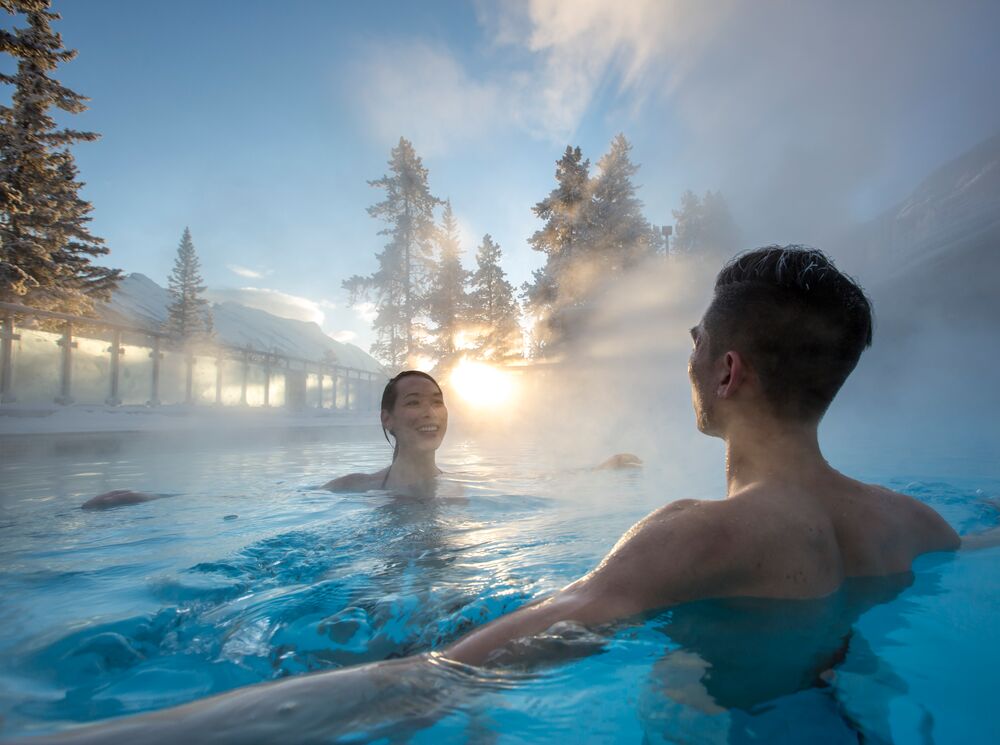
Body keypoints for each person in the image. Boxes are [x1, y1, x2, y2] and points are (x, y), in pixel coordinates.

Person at [38, 245, 996, 743]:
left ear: (729, 370)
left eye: (696, 341)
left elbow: (447, 674)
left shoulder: (697, 538)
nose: (689, 356)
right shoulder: (914, 523)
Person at [323, 370, 448, 495]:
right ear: (387, 419)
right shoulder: (350, 487)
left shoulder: (462, 490)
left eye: (437, 402)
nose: (431, 413)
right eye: (413, 402)